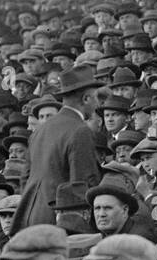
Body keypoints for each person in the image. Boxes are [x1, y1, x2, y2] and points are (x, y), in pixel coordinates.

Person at [12, 67, 102, 230]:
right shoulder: (80, 130)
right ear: (86, 99)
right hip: (60, 223)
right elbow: (83, 185)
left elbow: (25, 179)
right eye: (96, 97)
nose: (98, 103)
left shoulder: (39, 131)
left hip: (29, 220)